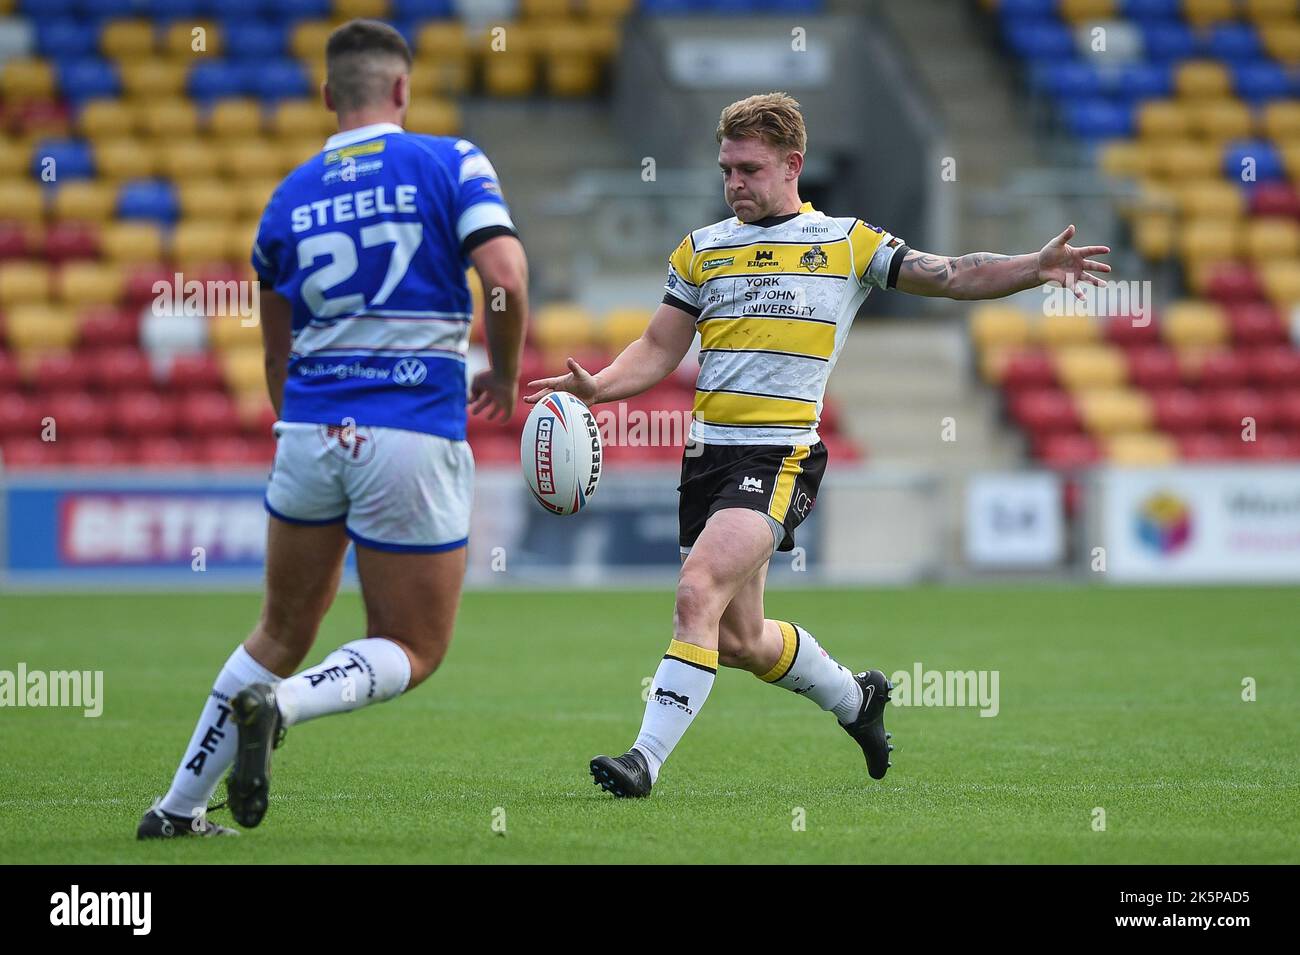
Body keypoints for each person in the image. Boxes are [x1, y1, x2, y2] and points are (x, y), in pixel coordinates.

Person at [525, 92, 1109, 798]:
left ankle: (643, 759)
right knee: (739, 639)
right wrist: (600, 388)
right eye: (726, 170)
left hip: (779, 457)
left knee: (695, 590)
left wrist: (1033, 266)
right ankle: (858, 700)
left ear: (792, 164)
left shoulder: (845, 242)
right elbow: (657, 348)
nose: (733, 183)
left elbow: (949, 274)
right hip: (706, 457)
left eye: (748, 168)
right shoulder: (701, 249)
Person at [138, 19, 528, 837]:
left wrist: (315, 425)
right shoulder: (449, 161)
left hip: (311, 430)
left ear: (326, 96)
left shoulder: (287, 197)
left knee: (281, 627)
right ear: (401, 90)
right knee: (411, 645)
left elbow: (274, 358)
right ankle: (280, 707)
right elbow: (505, 279)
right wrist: (499, 367)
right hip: (411, 427)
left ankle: (176, 809)